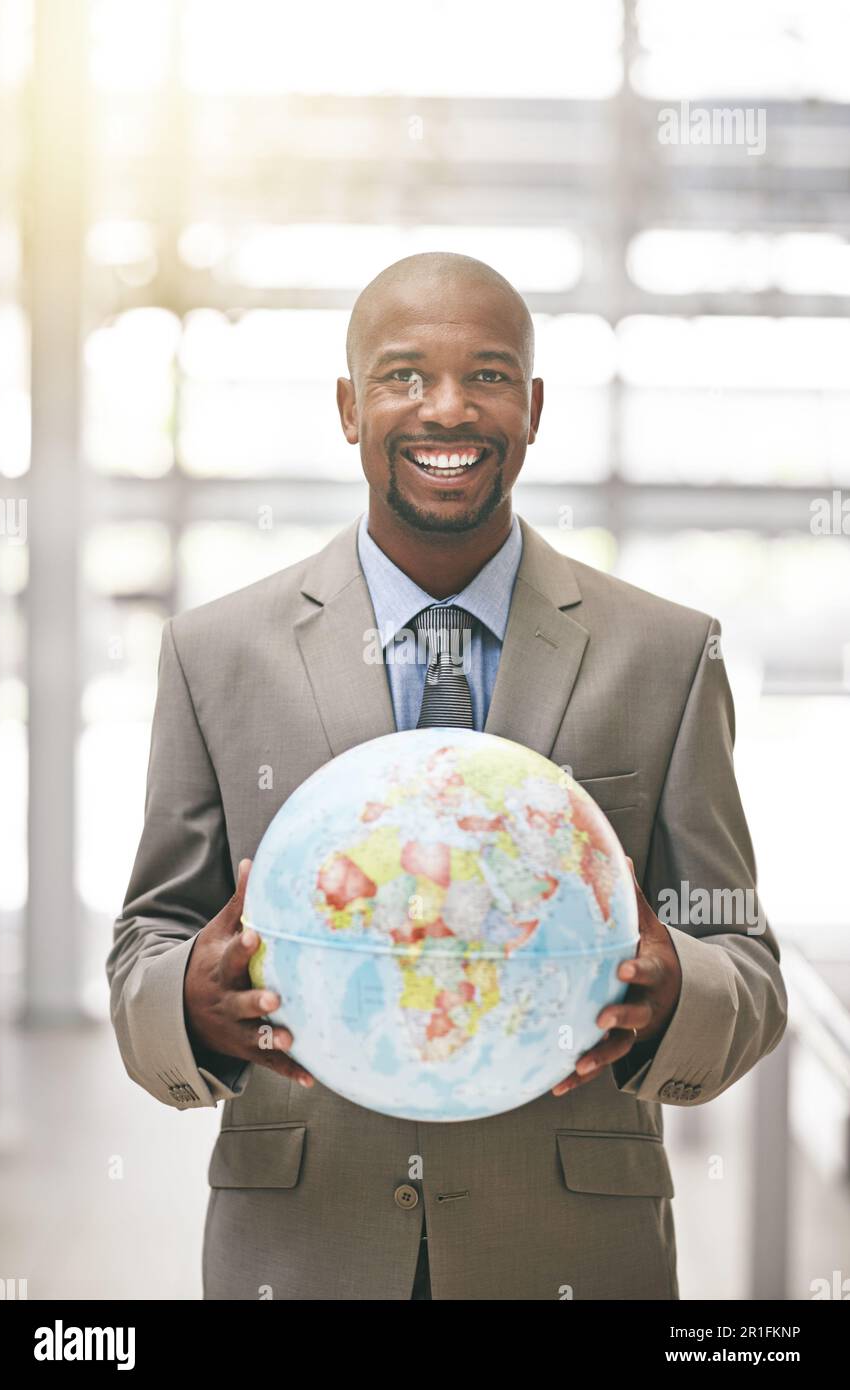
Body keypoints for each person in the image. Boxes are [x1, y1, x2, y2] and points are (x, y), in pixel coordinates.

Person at [107, 252, 787, 1300]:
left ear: (533, 407)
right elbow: (147, 939)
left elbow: (742, 958)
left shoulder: (662, 653)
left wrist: (674, 994)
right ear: (346, 406)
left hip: (568, 1251)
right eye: (401, 375)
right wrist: (187, 1004)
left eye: (487, 374)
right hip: (303, 1244)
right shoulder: (217, 651)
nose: (445, 409)